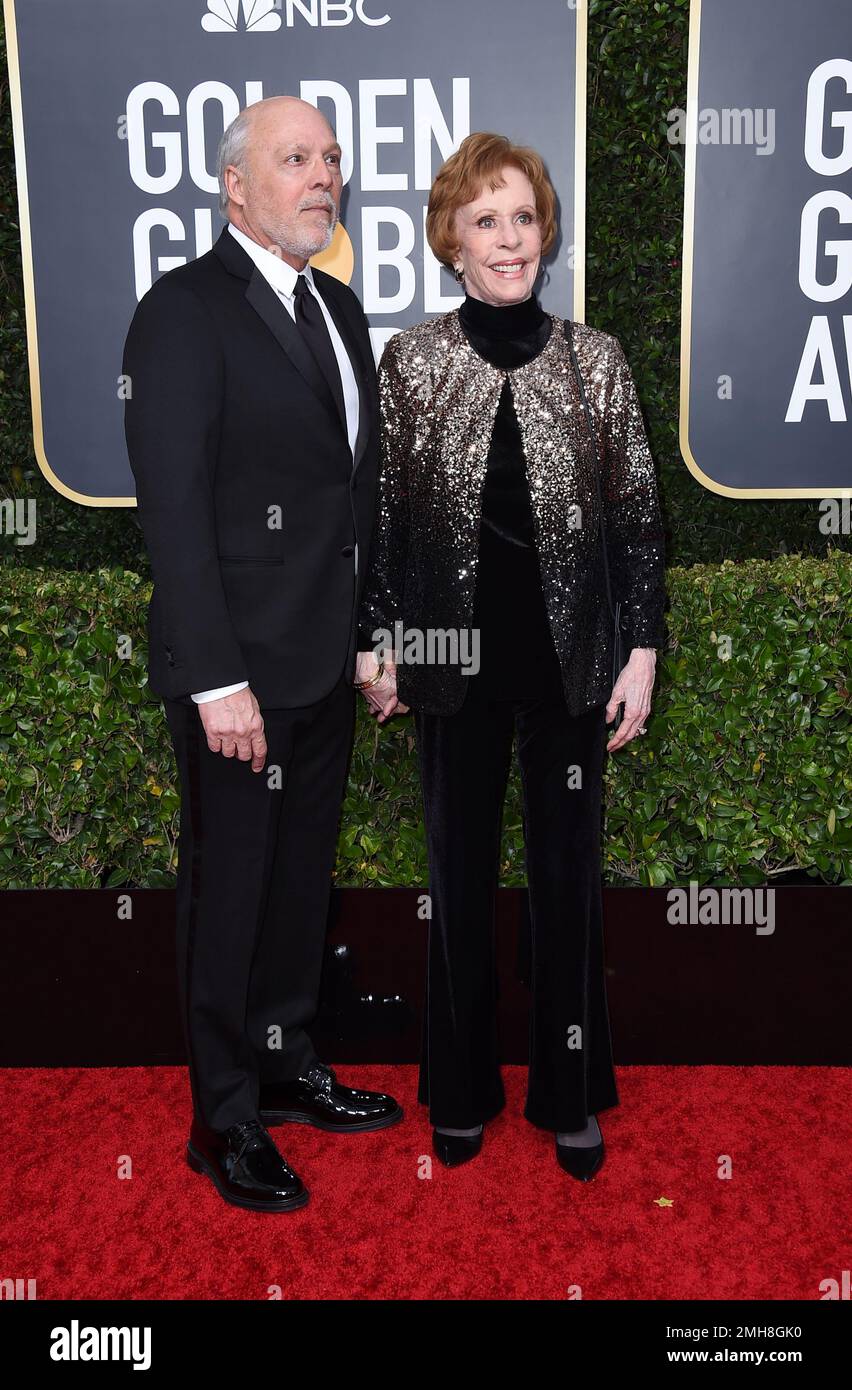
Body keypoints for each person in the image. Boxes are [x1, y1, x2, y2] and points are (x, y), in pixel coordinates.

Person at [354, 132, 666, 1182]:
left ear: (547, 233)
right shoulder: (413, 361)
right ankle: (462, 1086)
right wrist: (379, 645)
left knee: (568, 883)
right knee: (459, 881)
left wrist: (643, 649)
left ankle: (570, 1089)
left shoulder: (597, 362)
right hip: (450, 665)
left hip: (570, 663)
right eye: (485, 219)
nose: (508, 238)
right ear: (451, 237)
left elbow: (636, 526)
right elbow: (384, 519)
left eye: (524, 218)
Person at [123, 95, 401, 1214]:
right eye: (296, 158)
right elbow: (174, 513)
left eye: (331, 157)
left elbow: (356, 494)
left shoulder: (336, 304)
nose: (322, 175)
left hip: (325, 667)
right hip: (236, 680)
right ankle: (223, 1120)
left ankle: (286, 1066)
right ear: (236, 184)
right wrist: (214, 676)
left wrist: (373, 637)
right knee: (230, 895)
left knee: (296, 889)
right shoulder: (183, 312)